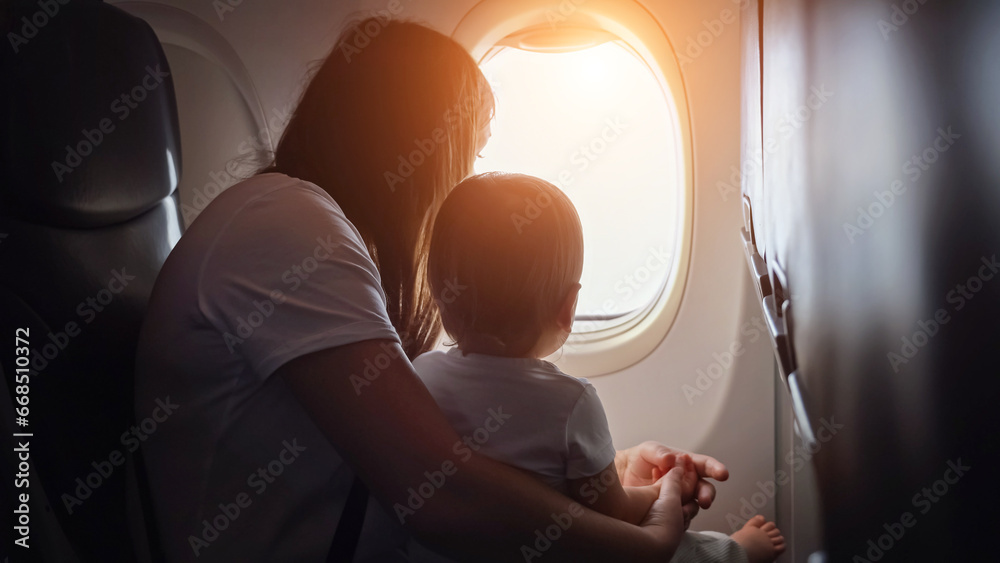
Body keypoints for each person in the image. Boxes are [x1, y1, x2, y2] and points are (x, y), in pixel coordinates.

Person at [135, 17, 727, 562]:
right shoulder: (288, 226)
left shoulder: (325, 235)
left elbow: (451, 460)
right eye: (466, 153)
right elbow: (441, 494)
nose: (463, 182)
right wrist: (648, 541)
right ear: (417, 148)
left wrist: (619, 475)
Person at [394, 172, 785, 563]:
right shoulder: (570, 402)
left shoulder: (421, 375)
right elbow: (611, 512)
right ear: (568, 307)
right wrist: (664, 489)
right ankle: (738, 552)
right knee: (684, 553)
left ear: (441, 296)